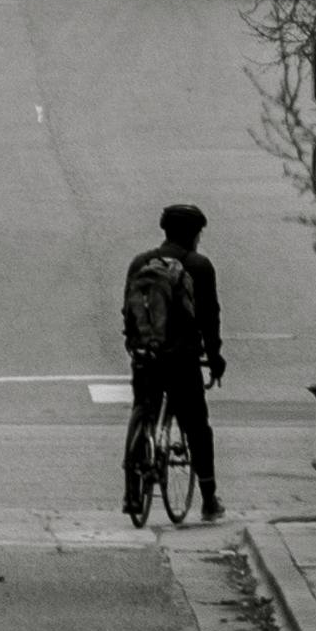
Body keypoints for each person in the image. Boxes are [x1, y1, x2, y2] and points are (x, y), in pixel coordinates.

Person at [122, 201, 225, 522]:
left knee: (143, 408)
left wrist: (135, 343)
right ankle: (209, 498)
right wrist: (215, 354)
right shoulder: (199, 265)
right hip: (182, 358)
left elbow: (129, 308)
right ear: (195, 234)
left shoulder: (141, 262)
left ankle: (132, 491)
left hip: (146, 355)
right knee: (196, 425)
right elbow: (209, 316)